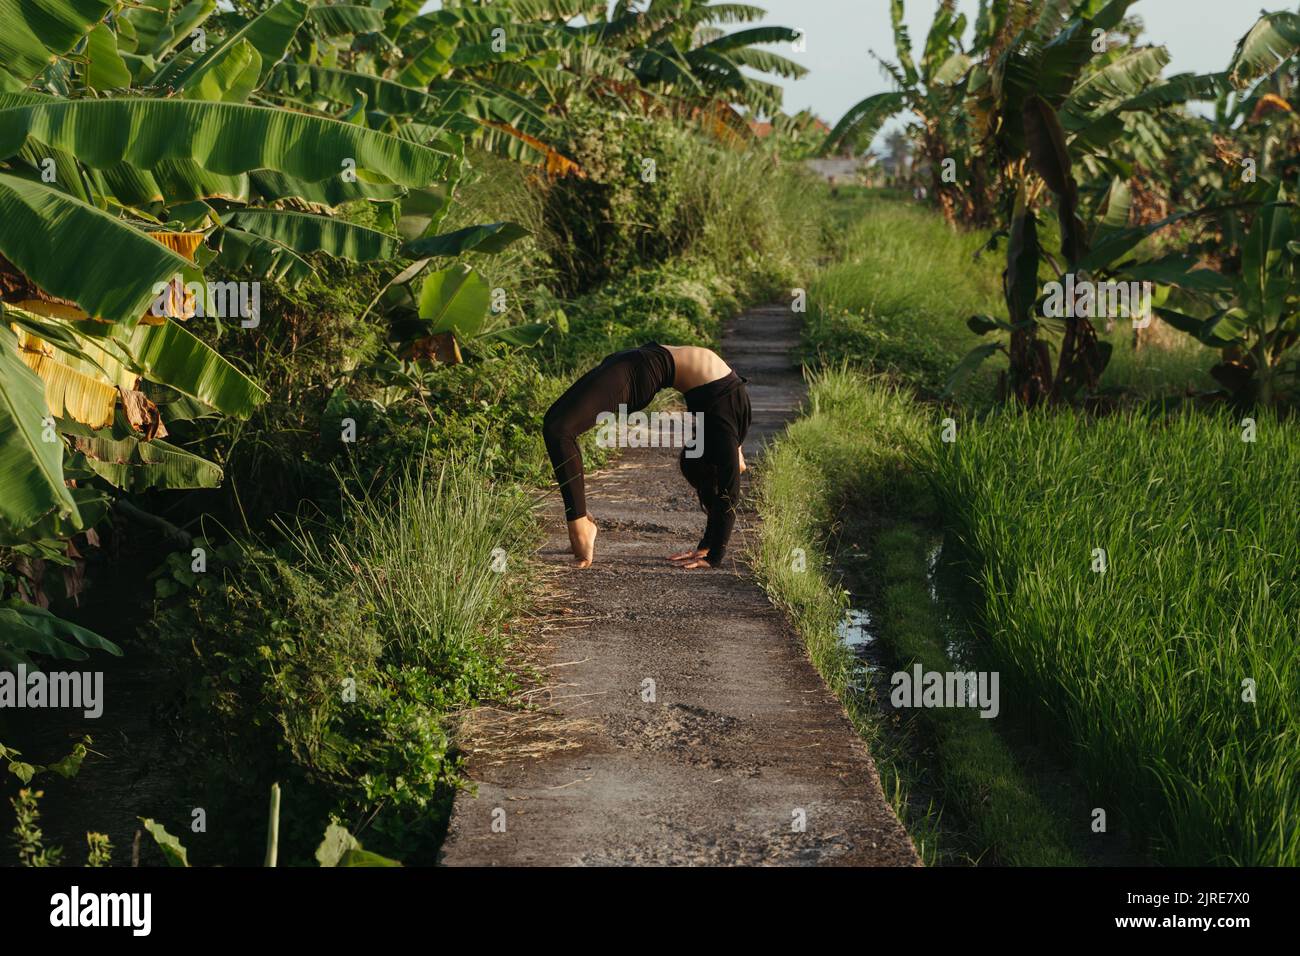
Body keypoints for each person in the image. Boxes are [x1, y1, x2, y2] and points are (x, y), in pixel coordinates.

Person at [542, 342, 751, 570]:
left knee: (558, 429)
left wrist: (708, 547)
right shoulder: (724, 426)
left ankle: (580, 524)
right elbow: (728, 493)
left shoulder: (730, 415)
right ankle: (580, 523)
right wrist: (714, 555)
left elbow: (724, 488)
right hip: (642, 365)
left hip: (641, 363)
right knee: (556, 426)